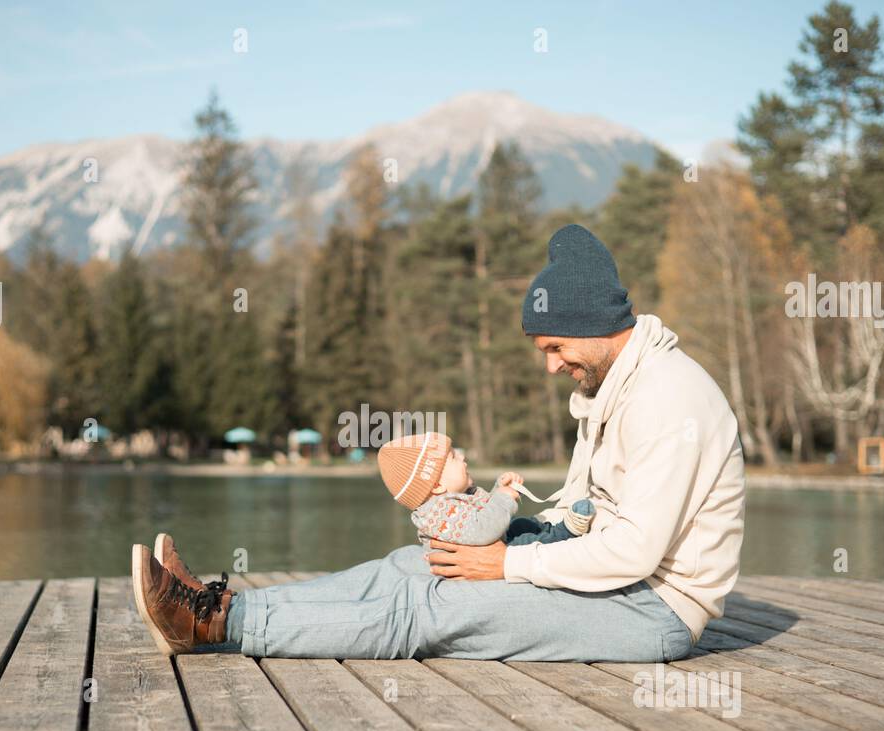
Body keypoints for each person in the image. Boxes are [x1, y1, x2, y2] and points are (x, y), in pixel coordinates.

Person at [131, 224, 746, 663]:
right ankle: (226, 603)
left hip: (650, 609)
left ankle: (211, 627)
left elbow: (636, 552)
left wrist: (505, 563)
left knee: (432, 608)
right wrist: (509, 533)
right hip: (607, 577)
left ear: (593, 325)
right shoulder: (614, 384)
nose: (551, 367)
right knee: (414, 564)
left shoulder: (668, 400)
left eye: (555, 349)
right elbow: (585, 513)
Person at [374, 431, 595, 548]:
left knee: (522, 525)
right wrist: (503, 499)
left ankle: (545, 526)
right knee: (523, 544)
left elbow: (481, 512)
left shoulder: (452, 499)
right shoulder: (438, 515)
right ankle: (565, 532)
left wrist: (499, 488)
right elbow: (484, 530)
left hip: (491, 542)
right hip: (485, 554)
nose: (462, 456)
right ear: (436, 485)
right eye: (452, 457)